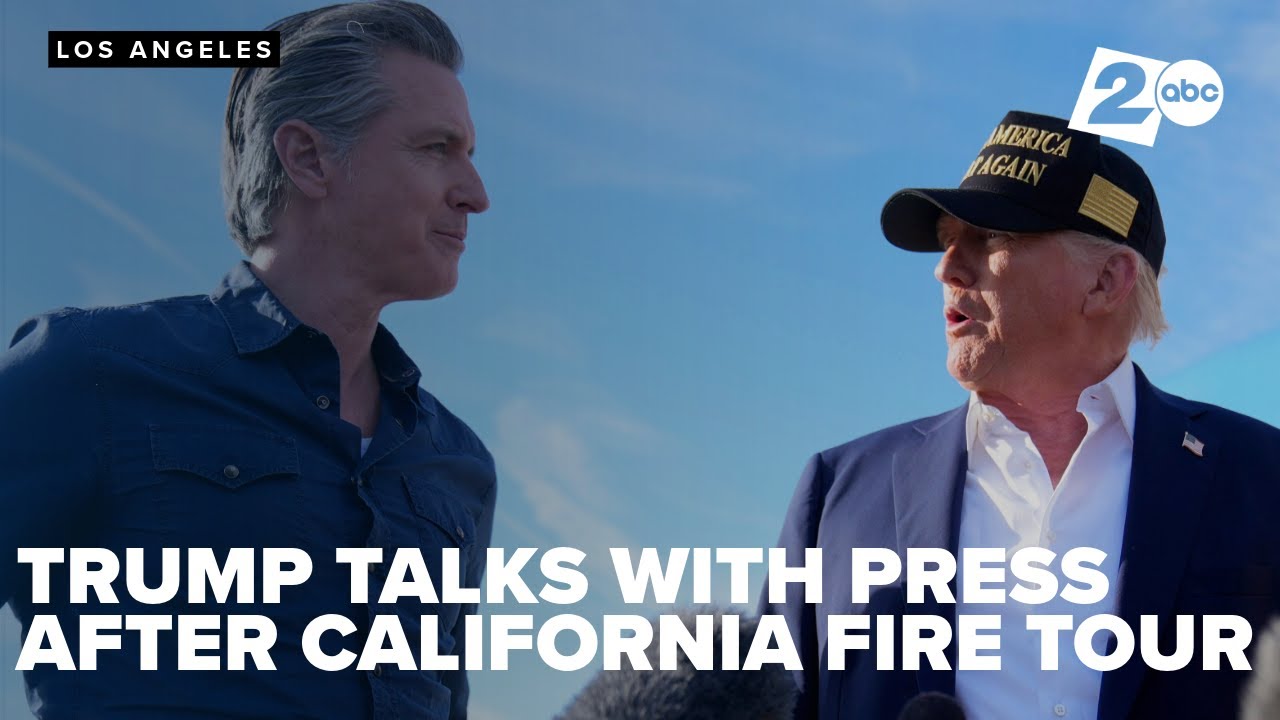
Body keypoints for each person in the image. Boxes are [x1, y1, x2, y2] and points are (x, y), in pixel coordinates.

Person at [0, 2, 494, 718]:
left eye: (469, 155)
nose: (474, 195)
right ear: (309, 157)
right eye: (435, 148)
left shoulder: (458, 466)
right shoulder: (88, 374)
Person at [762, 110, 1280, 720]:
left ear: (1107, 281)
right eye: (946, 241)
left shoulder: (1262, 476)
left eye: (990, 238)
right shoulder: (837, 494)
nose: (947, 267)